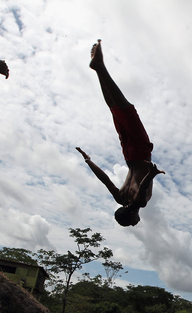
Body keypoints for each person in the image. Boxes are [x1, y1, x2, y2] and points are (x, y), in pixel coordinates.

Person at [77, 40, 164, 227]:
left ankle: (100, 68)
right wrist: (88, 161)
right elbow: (104, 179)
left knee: (127, 110)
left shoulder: (139, 202)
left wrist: (152, 174)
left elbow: (142, 189)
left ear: (131, 216)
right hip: (128, 155)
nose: (136, 223)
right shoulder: (119, 198)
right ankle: (99, 70)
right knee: (116, 110)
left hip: (141, 153)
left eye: (133, 223)